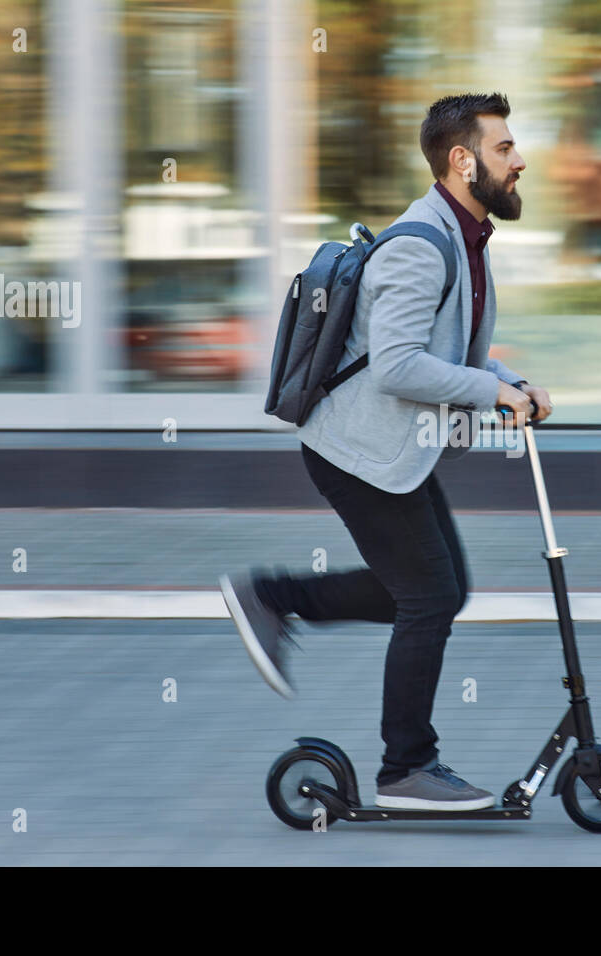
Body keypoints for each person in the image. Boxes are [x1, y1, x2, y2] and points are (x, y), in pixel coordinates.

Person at [220, 92, 553, 812]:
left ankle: (277, 598)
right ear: (462, 161)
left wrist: (507, 379)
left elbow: (445, 352)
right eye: (504, 149)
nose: (519, 159)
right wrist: (490, 395)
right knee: (429, 595)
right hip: (358, 451)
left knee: (438, 589)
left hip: (392, 450)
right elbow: (398, 366)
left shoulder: (461, 236)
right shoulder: (419, 245)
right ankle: (407, 768)